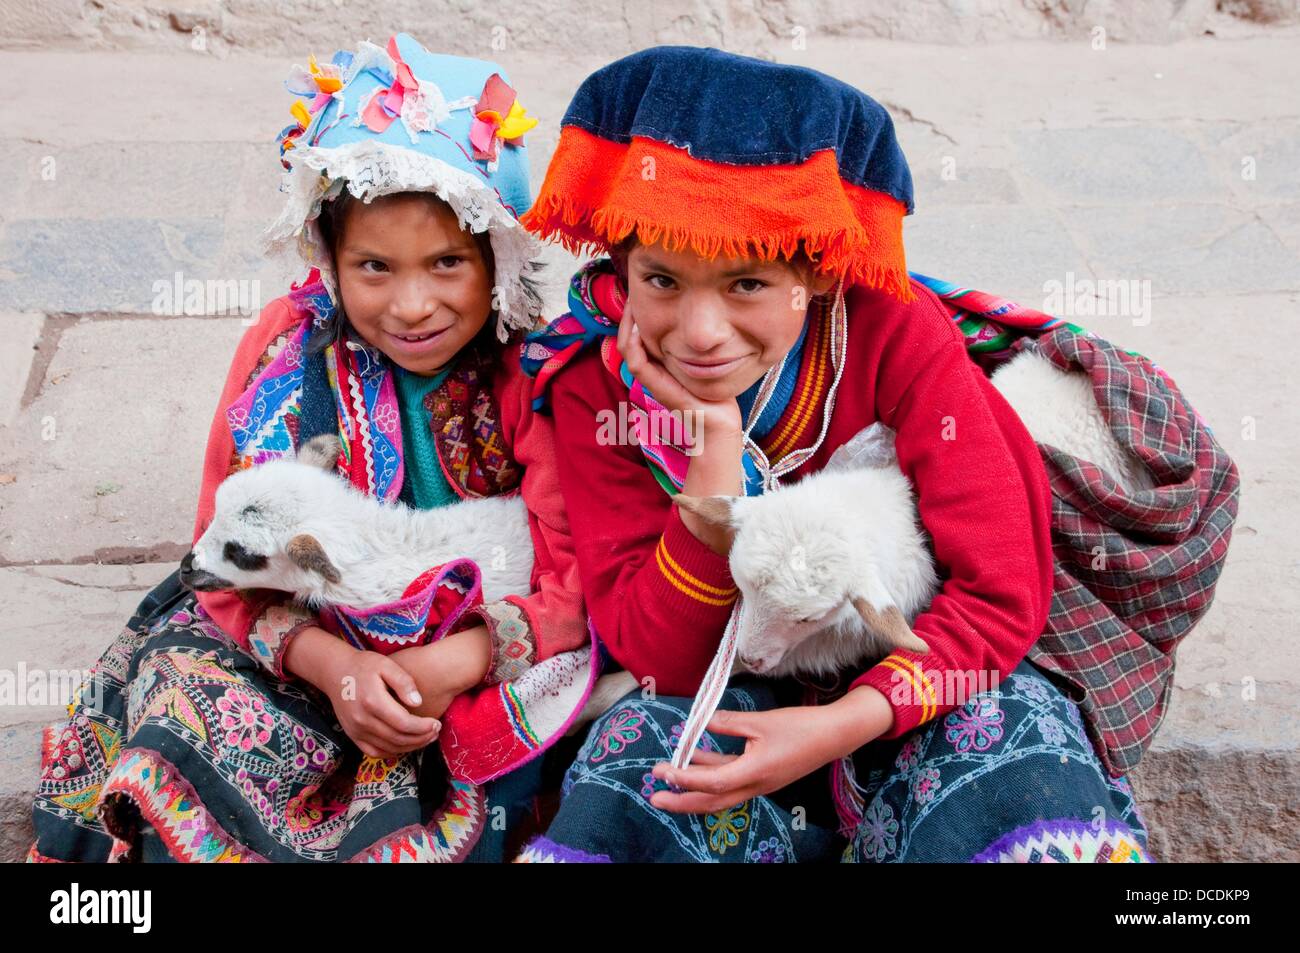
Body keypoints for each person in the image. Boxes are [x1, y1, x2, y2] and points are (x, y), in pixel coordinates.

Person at [510, 46, 1154, 862]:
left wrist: (839, 724)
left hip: (912, 673)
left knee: (1014, 735)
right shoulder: (592, 384)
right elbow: (658, 657)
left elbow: (999, 592)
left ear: (815, 275)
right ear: (618, 265)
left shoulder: (894, 333)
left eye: (746, 284)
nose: (700, 333)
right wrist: (710, 468)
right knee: (639, 757)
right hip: (719, 696)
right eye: (662, 280)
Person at [28, 33, 593, 863]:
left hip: (467, 657)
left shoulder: (533, 375)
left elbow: (573, 575)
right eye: (373, 266)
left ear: (497, 259)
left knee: (552, 751)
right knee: (185, 695)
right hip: (303, 637)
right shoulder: (283, 357)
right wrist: (330, 664)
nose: (411, 303)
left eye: (446, 263)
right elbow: (222, 553)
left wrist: (461, 659)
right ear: (328, 257)